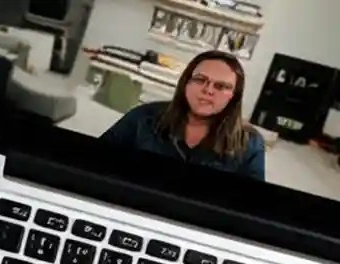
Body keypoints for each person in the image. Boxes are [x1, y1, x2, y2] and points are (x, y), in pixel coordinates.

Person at [100, 50, 265, 180]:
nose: (208, 90)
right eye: (200, 80)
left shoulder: (250, 144)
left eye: (221, 86)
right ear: (186, 83)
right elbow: (94, 162)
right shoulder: (142, 118)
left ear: (234, 96)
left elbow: (250, 206)